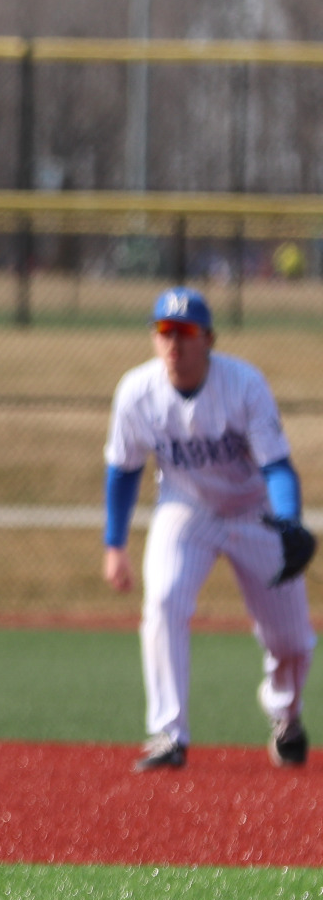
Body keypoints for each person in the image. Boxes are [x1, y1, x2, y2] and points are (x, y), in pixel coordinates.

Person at [104, 287, 313, 771]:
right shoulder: (137, 392)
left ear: (209, 339)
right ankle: (169, 733)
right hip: (187, 510)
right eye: (164, 332)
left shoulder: (243, 385)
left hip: (254, 510)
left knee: (291, 640)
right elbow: (123, 468)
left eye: (186, 332)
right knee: (163, 600)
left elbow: (277, 466)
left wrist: (287, 521)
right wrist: (114, 544)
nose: (174, 343)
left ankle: (287, 716)